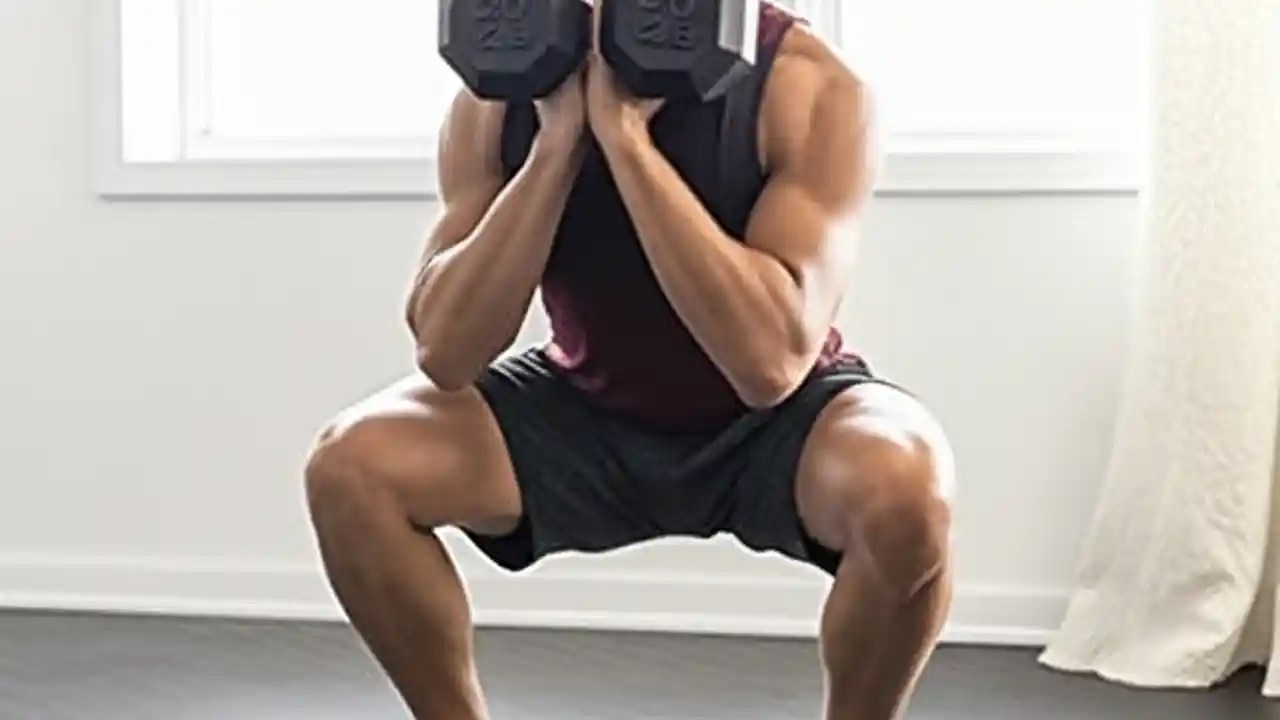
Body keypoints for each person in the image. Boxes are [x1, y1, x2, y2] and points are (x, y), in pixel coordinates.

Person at [304, 3, 955, 718]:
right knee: (352, 466)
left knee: (906, 490)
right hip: (584, 407)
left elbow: (770, 363)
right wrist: (557, 144)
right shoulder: (495, 102)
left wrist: (627, 141)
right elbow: (447, 352)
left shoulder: (810, 85)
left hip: (772, 424)